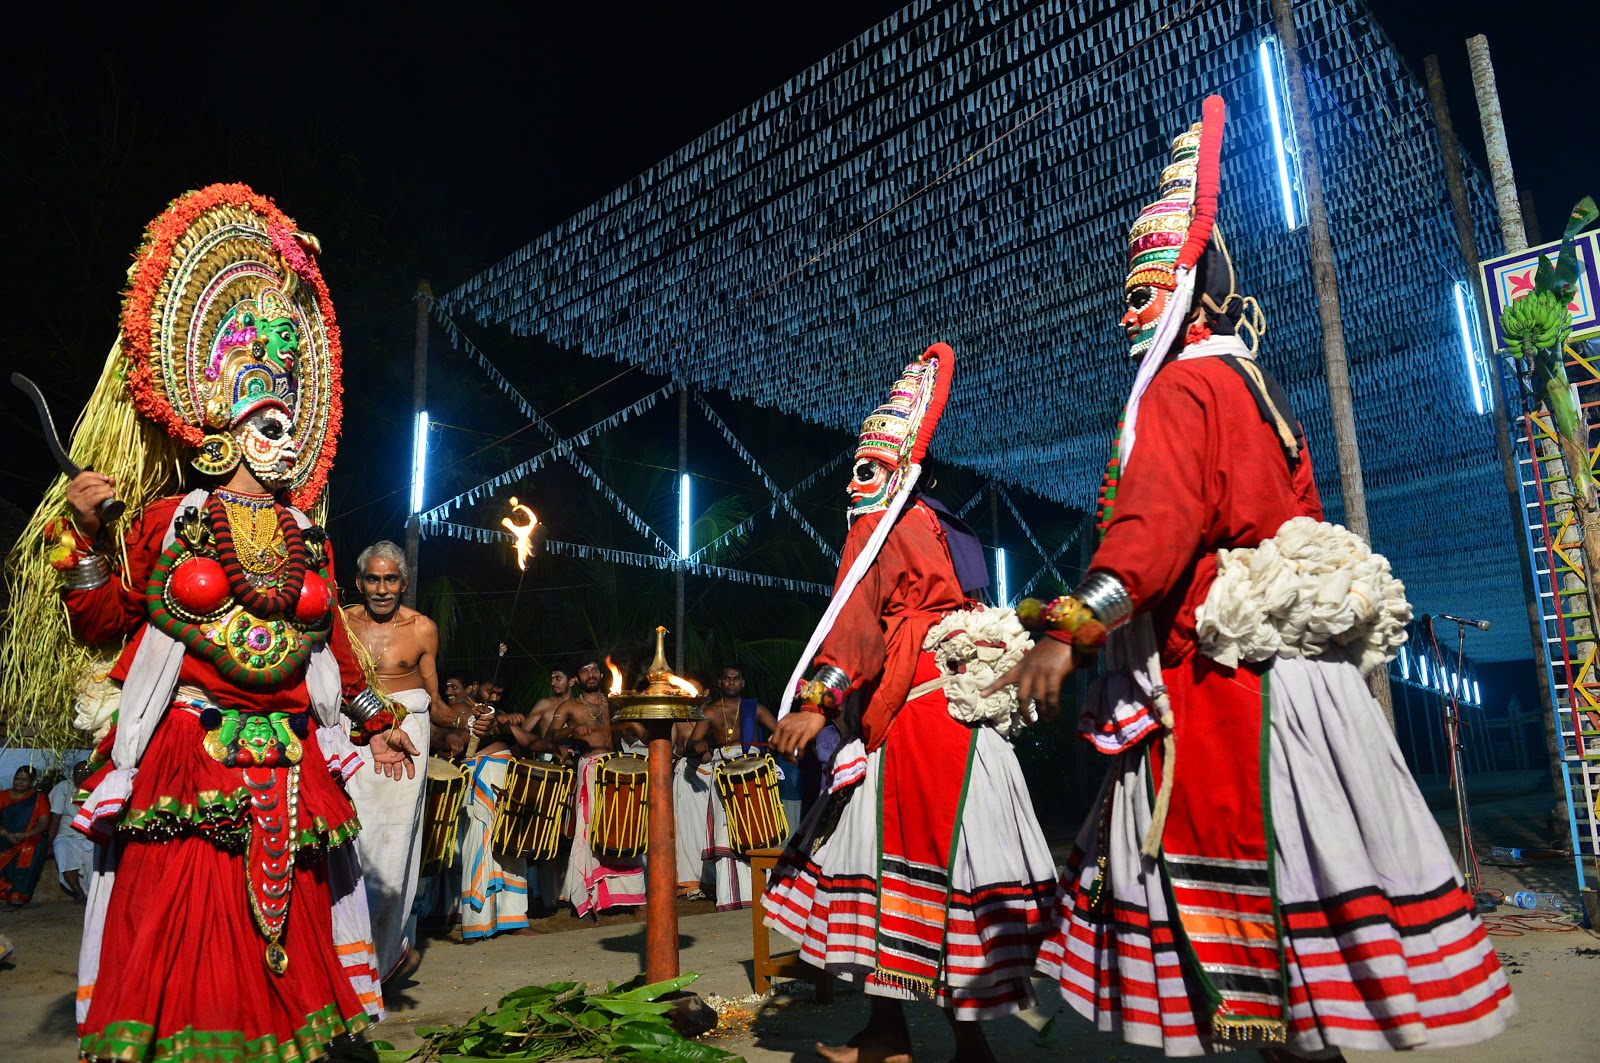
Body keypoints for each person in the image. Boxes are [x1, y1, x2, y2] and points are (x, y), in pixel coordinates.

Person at [995, 98, 1514, 1057]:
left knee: (1238, 906)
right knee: (1308, 911)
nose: (1126, 312)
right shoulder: (1266, 394)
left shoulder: (1185, 387)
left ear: (1192, 295)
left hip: (1228, 690)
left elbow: (1151, 532)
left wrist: (1067, 630)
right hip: (1306, 694)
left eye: (1146, 289)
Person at [3, 186, 419, 1060]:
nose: (283, 438)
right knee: (186, 931)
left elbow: (332, 646)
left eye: (290, 422)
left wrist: (377, 720)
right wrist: (81, 529)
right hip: (192, 757)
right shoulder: (166, 521)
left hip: (293, 754)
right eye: (265, 421)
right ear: (222, 427)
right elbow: (100, 620)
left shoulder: (312, 538)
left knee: (293, 932)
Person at [765, 343, 1057, 1063]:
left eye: (866, 467)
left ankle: (915, 1039)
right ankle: (906, 1034)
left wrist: (819, 700)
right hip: (956, 713)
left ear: (891, 467)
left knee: (897, 869)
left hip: (917, 721)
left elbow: (856, 616)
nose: (854, 482)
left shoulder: (879, 521)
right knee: (934, 875)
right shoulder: (943, 522)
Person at [343, 540, 448, 985]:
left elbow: (436, 702)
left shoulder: (423, 629)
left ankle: (382, 956)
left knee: (392, 847)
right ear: (359, 582)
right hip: (350, 740)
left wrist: (465, 717)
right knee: (347, 843)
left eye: (390, 579)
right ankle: (343, 951)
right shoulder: (341, 622)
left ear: (403, 583)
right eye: (373, 579)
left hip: (406, 745)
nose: (382, 589)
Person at [456, 689, 565, 939]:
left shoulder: (500, 718)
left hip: (504, 780)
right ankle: (480, 922)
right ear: (474, 687)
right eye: (488, 689)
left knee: (510, 846)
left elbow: (526, 740)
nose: (494, 694)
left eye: (497, 691)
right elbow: (454, 739)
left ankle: (514, 920)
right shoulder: (459, 713)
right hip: (482, 780)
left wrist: (552, 746)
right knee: (481, 847)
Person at [552, 657, 646, 917]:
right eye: (584, 671)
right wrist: (571, 731)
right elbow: (550, 735)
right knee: (591, 830)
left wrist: (638, 715)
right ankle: (590, 898)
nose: (590, 674)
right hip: (590, 767)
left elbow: (641, 733)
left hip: (617, 767)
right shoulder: (570, 706)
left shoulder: (614, 701)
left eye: (594, 669)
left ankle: (632, 899)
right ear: (576, 679)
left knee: (624, 827)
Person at [680, 666, 780, 910]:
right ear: (720, 682)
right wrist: (699, 746)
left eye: (736, 678)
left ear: (743, 683)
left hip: (753, 774)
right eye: (727, 678)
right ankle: (730, 899)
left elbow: (778, 733)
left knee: (757, 833)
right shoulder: (711, 712)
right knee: (726, 834)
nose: (731, 682)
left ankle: (762, 895)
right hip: (724, 775)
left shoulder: (754, 708)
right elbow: (690, 745)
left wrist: (774, 744)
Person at [0, 766, 52, 906]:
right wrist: (6, 834)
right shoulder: (2, 796)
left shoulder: (39, 798)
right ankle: (6, 888)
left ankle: (19, 894)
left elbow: (43, 823)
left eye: (24, 780)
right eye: (17, 778)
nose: (19, 782)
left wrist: (25, 834)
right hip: (4, 836)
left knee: (35, 847)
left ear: (32, 782)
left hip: (28, 836)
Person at [48, 761, 95, 904]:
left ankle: (93, 895)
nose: (83, 776)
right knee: (62, 848)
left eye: (87, 772)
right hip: (67, 834)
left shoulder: (99, 789)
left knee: (96, 858)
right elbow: (55, 818)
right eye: (80, 773)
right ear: (73, 775)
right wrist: (50, 844)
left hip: (92, 836)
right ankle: (77, 892)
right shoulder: (63, 788)